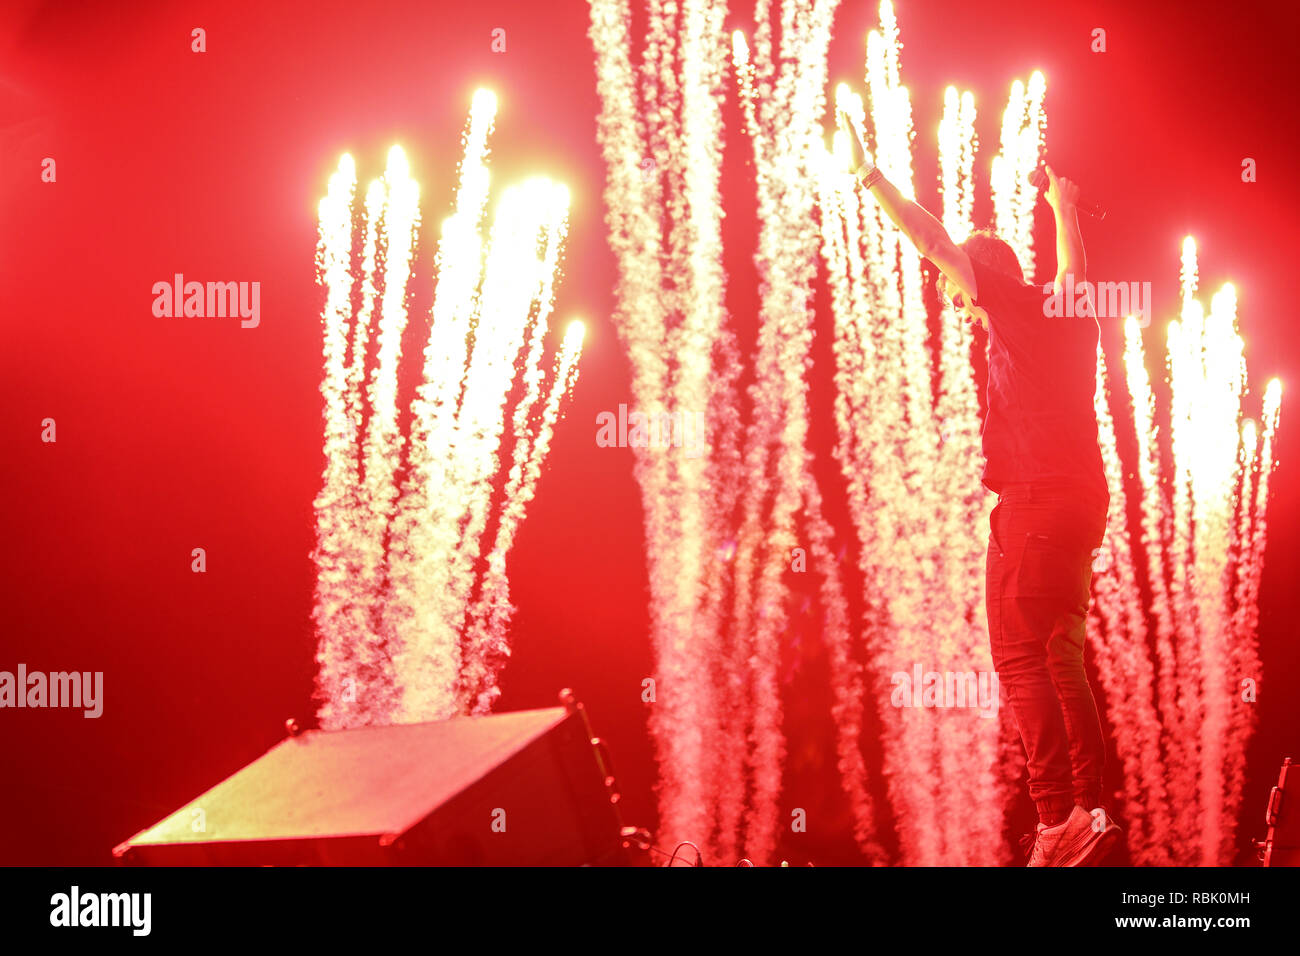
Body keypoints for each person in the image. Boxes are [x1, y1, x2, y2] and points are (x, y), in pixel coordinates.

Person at [837, 109, 1122, 866]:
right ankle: (1089, 812)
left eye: (963, 287)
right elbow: (1076, 271)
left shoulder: (1010, 308)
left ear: (981, 275)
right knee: (1062, 652)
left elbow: (931, 239)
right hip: (1082, 507)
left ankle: (1057, 812)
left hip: (1031, 506)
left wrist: (871, 176)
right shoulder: (1071, 317)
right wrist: (1062, 208)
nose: (960, 302)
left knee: (1021, 659)